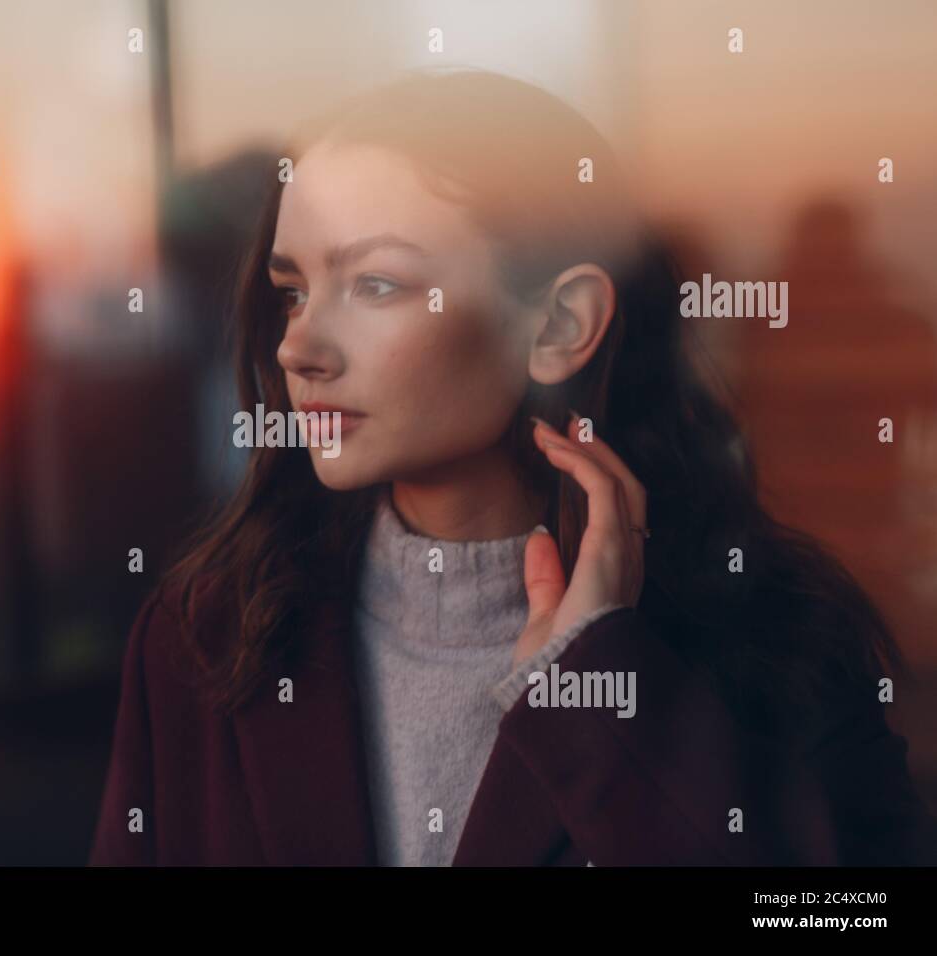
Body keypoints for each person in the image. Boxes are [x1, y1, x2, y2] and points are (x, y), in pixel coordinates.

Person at [88, 68, 937, 865]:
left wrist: (595, 685)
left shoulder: (779, 641)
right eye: (292, 291)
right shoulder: (205, 638)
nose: (296, 347)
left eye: (376, 285)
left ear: (560, 325)